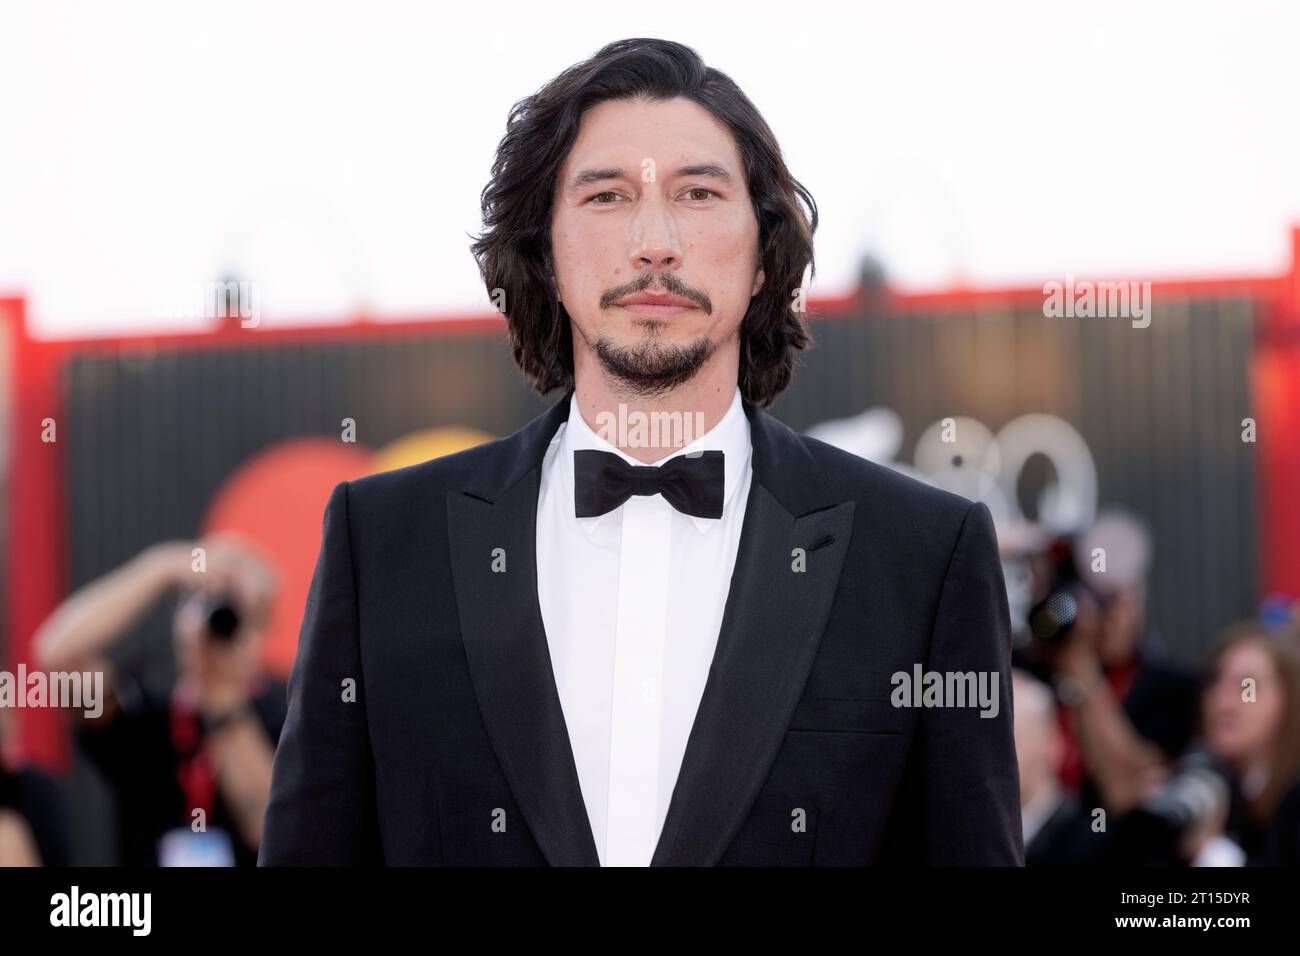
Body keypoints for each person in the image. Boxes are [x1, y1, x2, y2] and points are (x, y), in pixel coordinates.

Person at [260, 37, 1022, 866]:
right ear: (545, 254)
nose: (654, 242)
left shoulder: (919, 554)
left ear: (765, 258)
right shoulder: (383, 542)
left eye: (698, 193)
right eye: (607, 196)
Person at [32, 534, 285, 866]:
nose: (223, 627)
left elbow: (271, 831)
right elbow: (58, 657)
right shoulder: (149, 719)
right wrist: (161, 568)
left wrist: (223, 700)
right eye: (210, 603)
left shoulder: (286, 718)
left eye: (241, 616)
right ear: (181, 617)